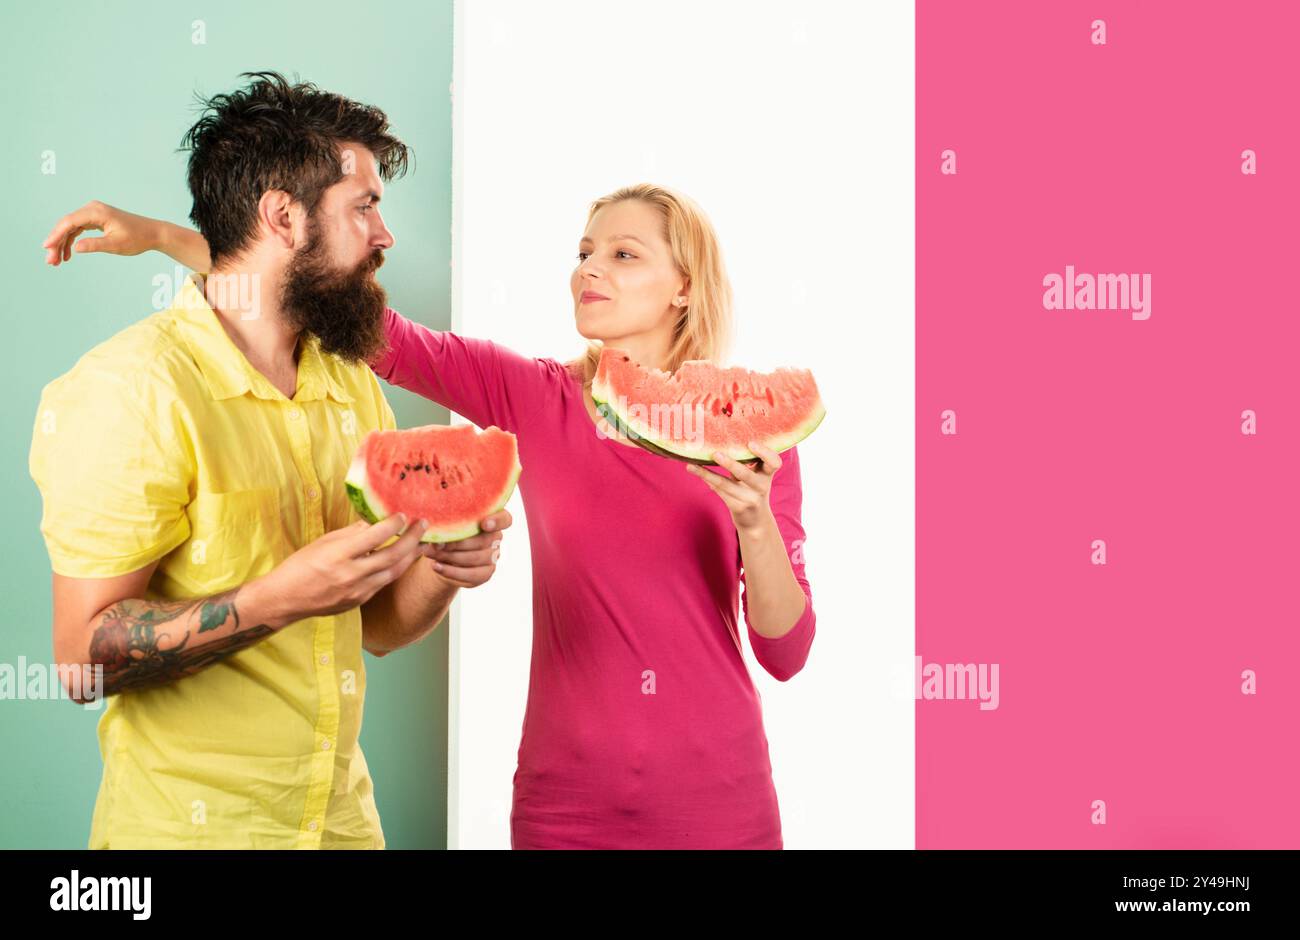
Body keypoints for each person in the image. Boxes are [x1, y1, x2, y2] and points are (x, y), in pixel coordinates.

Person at [44, 182, 817, 850]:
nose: (588, 267)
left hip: (716, 795)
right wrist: (163, 238)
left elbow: (785, 651)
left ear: (684, 285)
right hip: (565, 797)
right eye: (584, 250)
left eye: (624, 254)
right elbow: (377, 334)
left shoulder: (747, 434)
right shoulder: (537, 397)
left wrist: (754, 522)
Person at [30, 72, 511, 850]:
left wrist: (442, 564)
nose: (385, 235)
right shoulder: (132, 390)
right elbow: (81, 660)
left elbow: (379, 627)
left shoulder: (350, 382)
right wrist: (273, 600)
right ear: (283, 216)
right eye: (364, 208)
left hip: (341, 823)